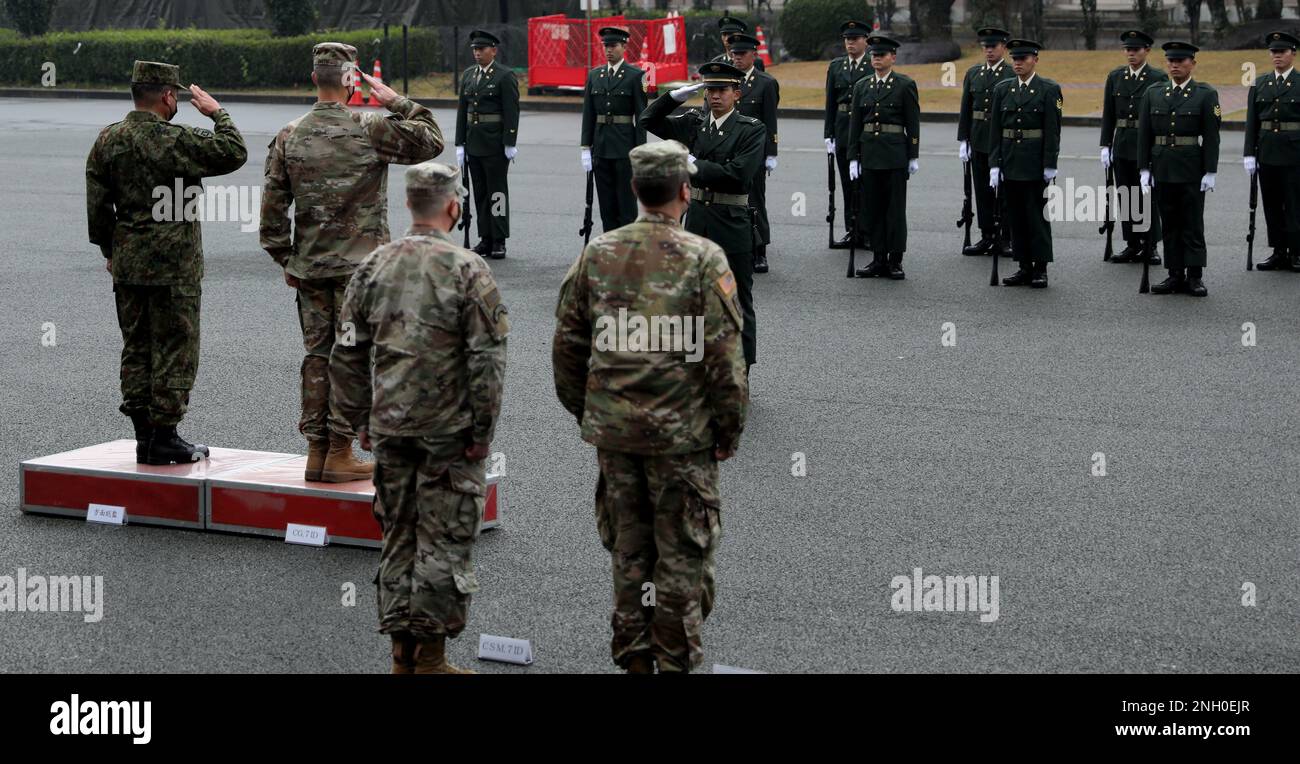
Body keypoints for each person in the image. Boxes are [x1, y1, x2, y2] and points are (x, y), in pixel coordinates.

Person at [552, 140, 748, 674]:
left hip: (616, 438)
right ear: (685, 192)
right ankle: (675, 662)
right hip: (682, 440)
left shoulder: (599, 253)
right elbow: (725, 361)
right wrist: (727, 432)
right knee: (682, 559)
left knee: (630, 556)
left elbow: (567, 349)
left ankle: (635, 661)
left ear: (635, 189)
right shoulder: (704, 259)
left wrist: (592, 413)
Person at [330, 161, 509, 675]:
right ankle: (428, 658)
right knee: (443, 542)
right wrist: (482, 432)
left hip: (389, 426)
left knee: (398, 536)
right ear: (453, 207)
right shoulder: (468, 269)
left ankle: (400, 656)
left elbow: (345, 350)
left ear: (408, 204)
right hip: (448, 432)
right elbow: (488, 360)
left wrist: (359, 418)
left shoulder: (373, 266)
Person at [261, 42, 443, 483]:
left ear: (313, 80)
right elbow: (432, 140)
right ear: (350, 81)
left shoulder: (289, 133)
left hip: (310, 269)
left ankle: (317, 449)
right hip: (361, 271)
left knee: (317, 356)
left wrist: (287, 257)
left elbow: (270, 212)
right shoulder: (369, 126)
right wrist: (395, 99)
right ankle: (341, 451)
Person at [86, 60, 247, 464]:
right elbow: (234, 152)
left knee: (137, 346)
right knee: (176, 345)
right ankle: (165, 435)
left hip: (129, 263)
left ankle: (144, 436)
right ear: (169, 96)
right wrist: (217, 113)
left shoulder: (108, 141)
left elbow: (98, 207)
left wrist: (110, 250)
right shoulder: (177, 140)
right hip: (175, 266)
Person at [641, 62, 765, 371]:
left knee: (734, 298)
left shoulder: (750, 128)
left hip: (731, 221)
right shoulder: (695, 121)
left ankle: (740, 369)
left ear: (737, 93)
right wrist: (673, 98)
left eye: (721, 90)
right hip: (696, 220)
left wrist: (693, 163)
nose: (714, 96)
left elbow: (738, 175)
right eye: (709, 90)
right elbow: (648, 119)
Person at [1137, 41, 1220, 297]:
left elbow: (1211, 135)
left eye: (1181, 61)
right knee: (1170, 222)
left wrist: (1210, 170)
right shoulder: (1153, 93)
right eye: (1171, 61)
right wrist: (1144, 168)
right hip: (1162, 166)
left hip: (1191, 167)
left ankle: (1194, 275)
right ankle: (1174, 273)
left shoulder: (1205, 94)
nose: (1174, 65)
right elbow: (1145, 134)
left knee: (1192, 223)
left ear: (1192, 64)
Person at [988, 39, 1062, 288]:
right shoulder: (1003, 89)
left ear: (1035, 60)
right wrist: (994, 163)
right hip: (1010, 160)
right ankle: (1023, 266)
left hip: (1034, 163)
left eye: (1023, 59)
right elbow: (996, 129)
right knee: (1016, 217)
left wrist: (1049, 163)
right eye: (1014, 59)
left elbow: (1052, 130)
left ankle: (1040, 267)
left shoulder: (1048, 89)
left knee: (1036, 216)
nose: (1017, 63)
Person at [848, 34, 920, 280]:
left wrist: (913, 154)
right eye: (873, 55)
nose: (876, 59)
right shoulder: (862, 86)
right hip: (869, 154)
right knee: (874, 209)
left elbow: (913, 123)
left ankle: (895, 259)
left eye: (881, 55)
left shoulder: (904, 84)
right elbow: (855, 124)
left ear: (893, 57)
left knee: (895, 210)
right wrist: (853, 157)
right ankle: (878, 258)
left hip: (895, 155)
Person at [1100, 30, 1167, 265]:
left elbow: (1162, 115)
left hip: (1146, 144)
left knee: (1147, 196)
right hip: (1123, 143)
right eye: (1127, 49)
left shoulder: (1158, 77)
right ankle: (1132, 243)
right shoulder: (1116, 76)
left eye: (1135, 49)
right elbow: (1108, 113)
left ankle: (1151, 244)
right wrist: (1105, 144)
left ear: (1147, 50)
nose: (1130, 54)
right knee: (1126, 194)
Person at [455, 30, 521, 259]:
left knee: (497, 193)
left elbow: (512, 112)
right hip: (474, 143)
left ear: (493, 50)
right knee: (480, 193)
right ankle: (485, 238)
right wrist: (459, 143)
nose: (477, 53)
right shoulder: (469, 75)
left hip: (494, 144)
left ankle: (499, 239)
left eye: (481, 49)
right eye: (474, 49)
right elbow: (463, 111)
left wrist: (509, 141)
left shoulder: (504, 76)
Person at [580, 26, 647, 232]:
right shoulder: (595, 75)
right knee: (606, 203)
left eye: (613, 46)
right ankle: (609, 243)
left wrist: (640, 150)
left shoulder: (636, 75)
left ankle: (627, 246)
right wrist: (585, 146)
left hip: (625, 146)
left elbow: (641, 116)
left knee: (626, 202)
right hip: (601, 146)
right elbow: (588, 113)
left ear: (624, 47)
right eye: (606, 46)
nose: (609, 50)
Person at [1243, 31, 1300, 272]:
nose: (1277, 56)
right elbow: (1252, 120)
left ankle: (1296, 251)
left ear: (1293, 54)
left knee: (1295, 203)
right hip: (1267, 151)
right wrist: (1249, 153)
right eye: (1274, 52)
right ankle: (1278, 250)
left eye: (1282, 52)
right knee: (1272, 204)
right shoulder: (1260, 82)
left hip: (1295, 152)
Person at [957, 27, 1015, 257]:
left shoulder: (1011, 73)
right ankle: (987, 235)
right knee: (981, 189)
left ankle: (1005, 236)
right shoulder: (974, 73)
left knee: (1003, 189)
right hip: (979, 138)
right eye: (985, 46)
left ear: (1003, 47)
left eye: (994, 46)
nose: (989, 50)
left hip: (1000, 140)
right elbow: (966, 108)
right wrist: (964, 138)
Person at [729, 33, 779, 274]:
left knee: (755, 201)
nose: (736, 58)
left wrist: (772, 152)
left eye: (741, 54)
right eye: (734, 54)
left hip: (754, 152)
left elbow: (770, 121)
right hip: (727, 152)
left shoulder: (765, 83)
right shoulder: (725, 80)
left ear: (753, 55)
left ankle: (760, 251)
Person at [824, 20, 873, 250]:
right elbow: (831, 103)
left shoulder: (873, 65)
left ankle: (868, 231)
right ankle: (851, 230)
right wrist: (829, 134)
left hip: (865, 131)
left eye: (854, 39)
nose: (850, 43)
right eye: (847, 39)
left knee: (866, 184)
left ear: (865, 40)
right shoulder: (837, 66)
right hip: (843, 130)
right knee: (846, 183)